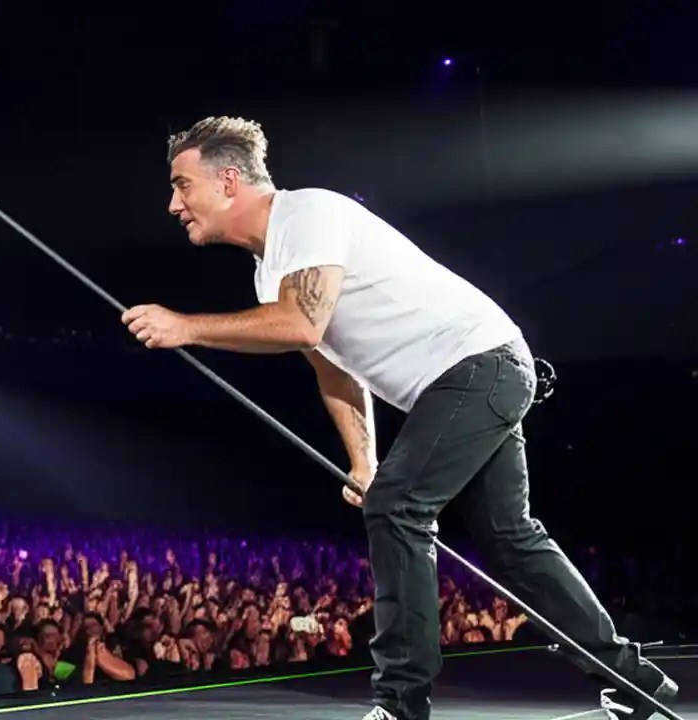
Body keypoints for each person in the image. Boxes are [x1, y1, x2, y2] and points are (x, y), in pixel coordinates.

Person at [120, 115, 677, 720]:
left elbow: (300, 324)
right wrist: (365, 462)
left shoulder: (305, 215)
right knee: (510, 539)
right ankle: (638, 681)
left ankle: (401, 704)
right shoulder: (269, 270)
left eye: (182, 185)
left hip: (476, 366)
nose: (174, 203)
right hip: (477, 375)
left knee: (400, 509)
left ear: (228, 181)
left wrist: (186, 327)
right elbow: (333, 365)